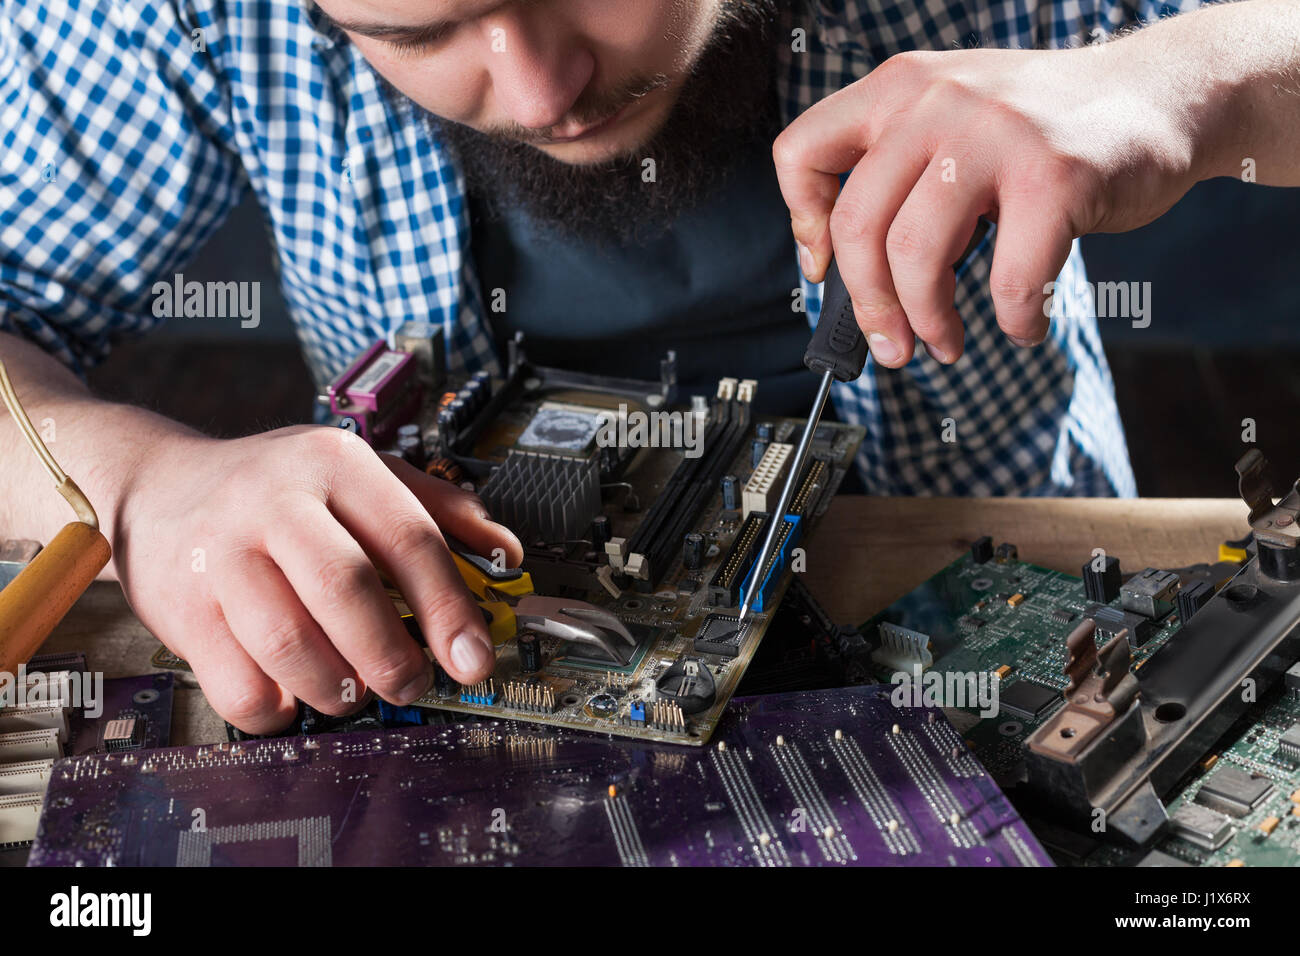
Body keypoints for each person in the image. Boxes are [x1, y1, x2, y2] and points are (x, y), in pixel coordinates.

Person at [1, 0, 1295, 732]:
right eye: (417, 30)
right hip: (469, 675)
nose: (541, 84)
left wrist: (1187, 83)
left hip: (1012, 611)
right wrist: (142, 484)